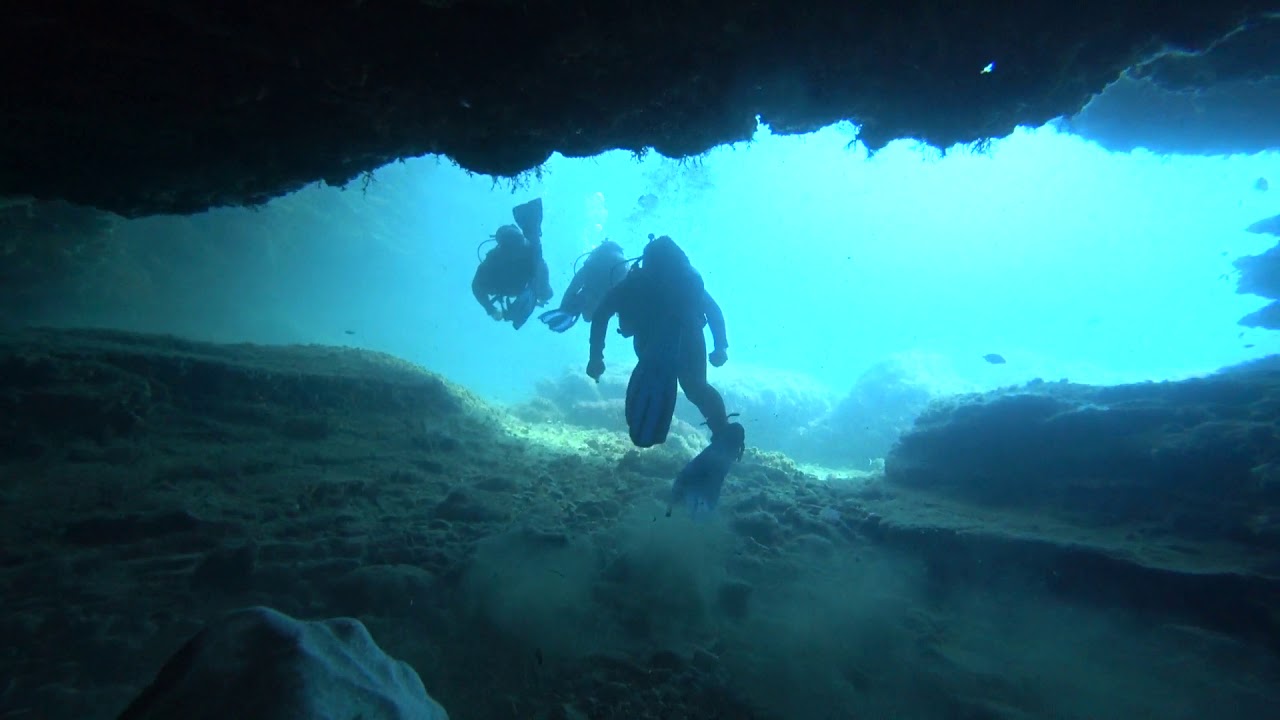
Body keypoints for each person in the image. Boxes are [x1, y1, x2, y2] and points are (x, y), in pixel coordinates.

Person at [586, 234, 742, 452]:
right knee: (696, 388)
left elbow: (602, 313)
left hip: (653, 343)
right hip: (688, 339)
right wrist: (720, 347)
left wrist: (596, 356)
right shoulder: (685, 284)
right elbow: (714, 312)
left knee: (661, 377)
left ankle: (721, 435)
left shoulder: (635, 282)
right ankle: (723, 434)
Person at [472, 199, 553, 329]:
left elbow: (477, 287)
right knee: (534, 241)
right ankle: (531, 217)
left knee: (534, 244)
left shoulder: (496, 258)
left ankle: (531, 218)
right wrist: (491, 309)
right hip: (520, 282)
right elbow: (476, 287)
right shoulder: (497, 258)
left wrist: (491, 309)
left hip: (520, 283)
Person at [538, 240, 628, 333]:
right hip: (612, 283)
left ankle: (572, 307)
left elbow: (573, 286)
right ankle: (574, 307)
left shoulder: (596, 262)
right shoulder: (617, 266)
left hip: (600, 286)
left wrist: (563, 308)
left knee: (588, 312)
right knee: (589, 314)